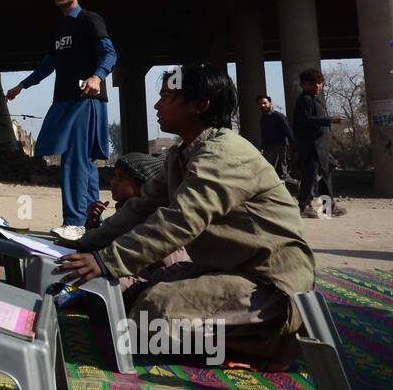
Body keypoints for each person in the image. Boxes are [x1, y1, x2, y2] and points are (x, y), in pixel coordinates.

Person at [55, 63, 315, 370]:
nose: (157, 104)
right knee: (131, 291)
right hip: (223, 270)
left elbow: (179, 220)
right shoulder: (180, 156)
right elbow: (140, 208)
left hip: (268, 285)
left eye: (166, 96)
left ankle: (270, 343)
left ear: (200, 105)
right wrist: (87, 246)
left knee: (151, 315)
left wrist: (106, 261)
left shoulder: (225, 154)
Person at [5, 0, 117, 230]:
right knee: (85, 163)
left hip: (86, 100)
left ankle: (74, 223)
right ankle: (91, 221)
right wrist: (23, 85)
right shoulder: (58, 27)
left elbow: (110, 54)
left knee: (75, 160)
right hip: (64, 100)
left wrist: (97, 77)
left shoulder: (90, 20)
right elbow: (49, 64)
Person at [292, 69, 347, 218]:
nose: (317, 86)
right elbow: (306, 120)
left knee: (326, 175)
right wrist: (330, 119)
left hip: (321, 147)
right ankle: (304, 206)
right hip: (312, 147)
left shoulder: (314, 100)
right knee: (310, 176)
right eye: (312, 83)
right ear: (303, 85)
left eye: (319, 83)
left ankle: (328, 207)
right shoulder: (305, 100)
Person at [85, 152, 164, 228]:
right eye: (115, 176)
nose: (113, 182)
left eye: (121, 178)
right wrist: (92, 223)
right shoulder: (122, 214)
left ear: (143, 186)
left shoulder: (145, 222)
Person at [257, 95, 296, 180]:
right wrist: (262, 148)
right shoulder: (263, 119)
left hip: (280, 148)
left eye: (264, 103)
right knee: (269, 172)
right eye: (260, 104)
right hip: (268, 149)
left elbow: (288, 131)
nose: (262, 105)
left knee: (282, 173)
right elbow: (264, 135)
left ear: (270, 103)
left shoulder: (278, 116)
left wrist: (294, 146)